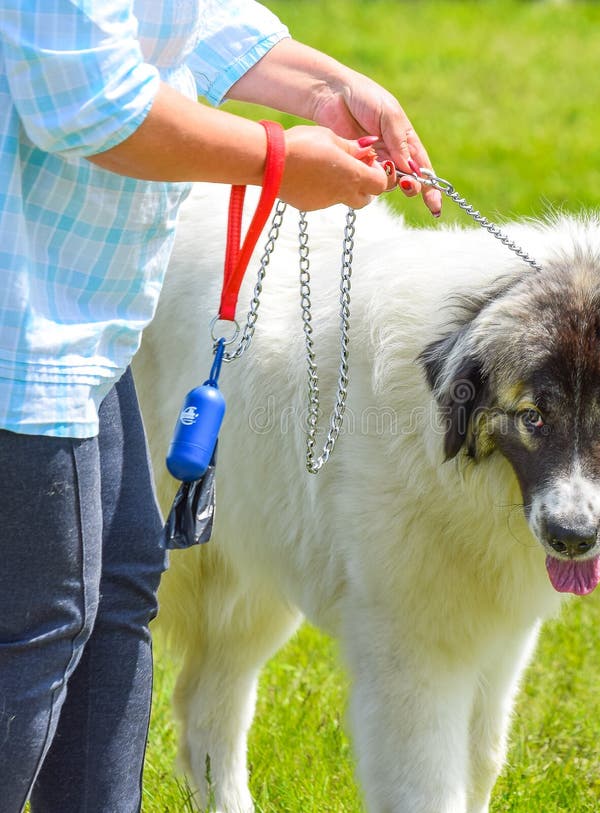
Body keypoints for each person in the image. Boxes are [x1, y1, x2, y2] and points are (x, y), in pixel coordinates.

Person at [0, 1, 441, 810]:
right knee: (37, 625)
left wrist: (326, 88)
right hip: (18, 317)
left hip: (75, 311)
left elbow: (169, 17)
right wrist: (276, 161)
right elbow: (86, 98)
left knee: (119, 588)